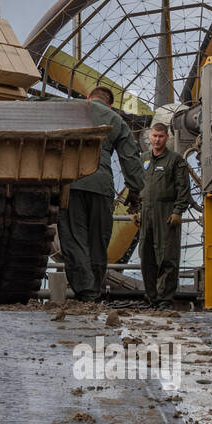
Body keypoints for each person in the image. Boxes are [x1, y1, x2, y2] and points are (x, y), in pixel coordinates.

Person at [57, 86, 145, 302]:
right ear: (110, 104)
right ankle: (94, 291)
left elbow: (37, 104)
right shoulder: (117, 121)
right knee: (98, 240)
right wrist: (135, 191)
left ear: (88, 97)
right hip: (102, 186)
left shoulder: (70, 107)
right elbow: (131, 161)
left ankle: (84, 292)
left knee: (74, 238)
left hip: (72, 182)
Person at [134, 121, 193, 308]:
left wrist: (178, 211)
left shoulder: (175, 160)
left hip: (166, 213)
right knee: (147, 256)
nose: (157, 140)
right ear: (149, 137)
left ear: (167, 138)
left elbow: (183, 188)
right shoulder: (143, 158)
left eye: (160, 136)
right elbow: (134, 186)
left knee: (167, 257)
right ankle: (151, 298)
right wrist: (135, 210)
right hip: (146, 213)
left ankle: (165, 299)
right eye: (154, 136)